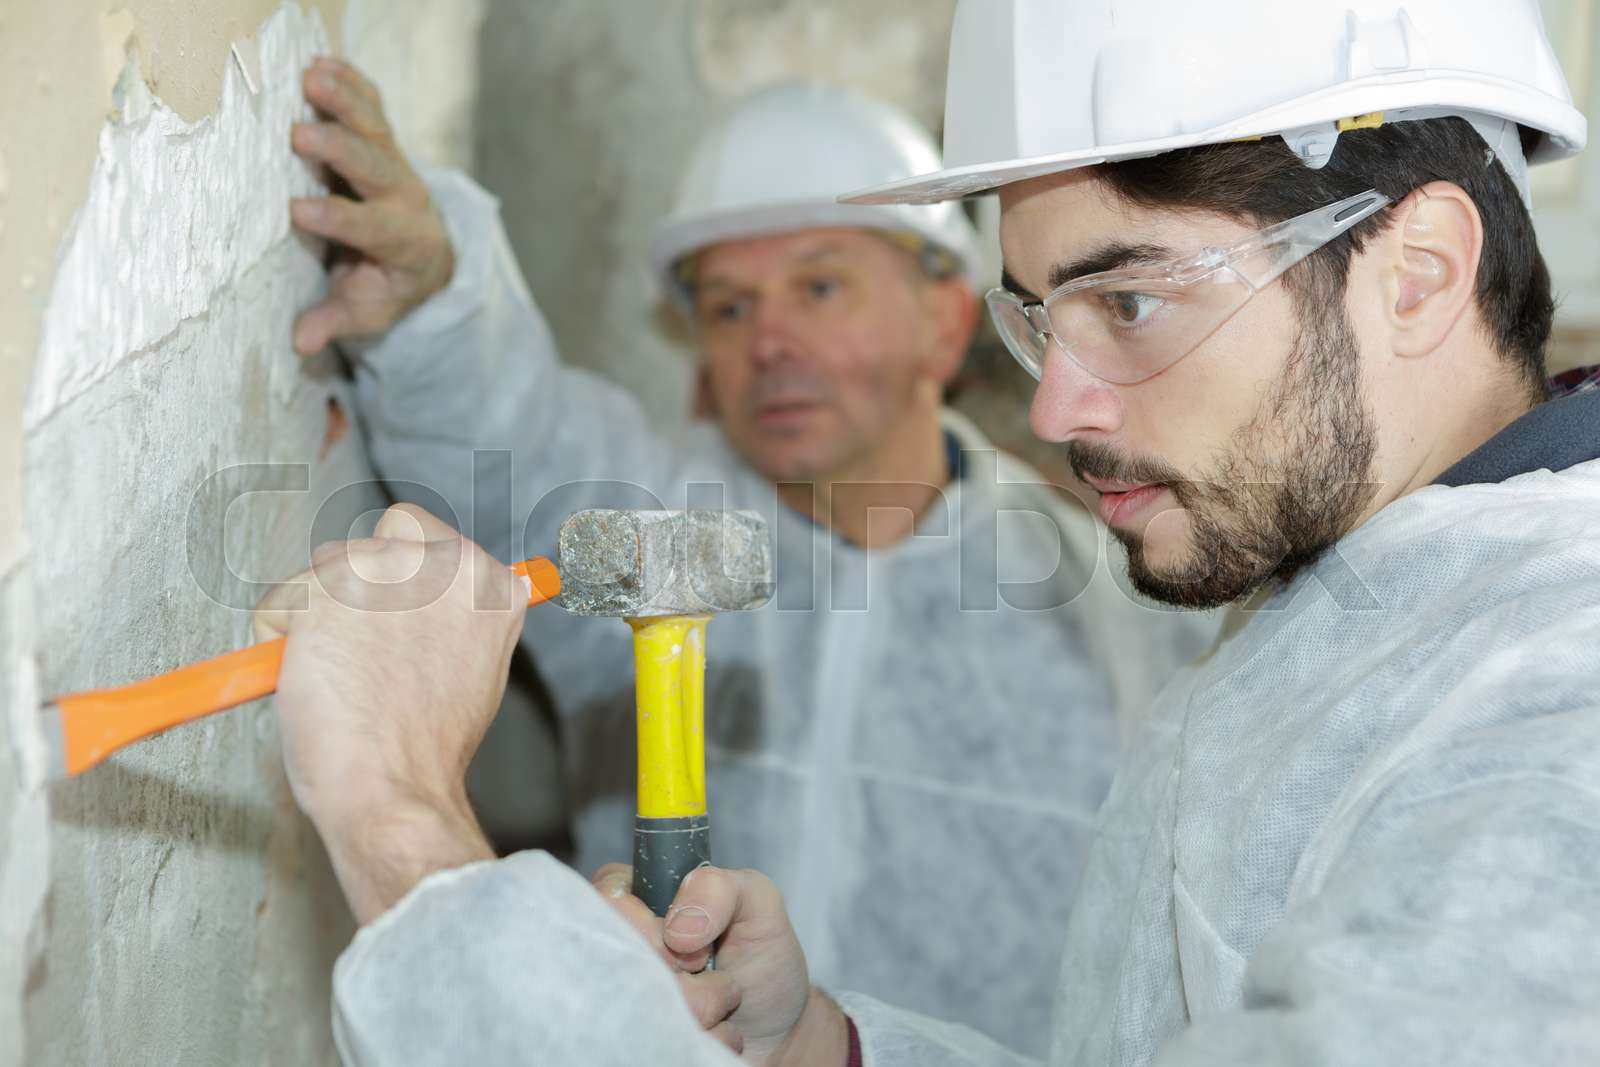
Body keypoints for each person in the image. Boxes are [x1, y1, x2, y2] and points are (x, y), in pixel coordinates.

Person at [263, 0, 1600, 1063]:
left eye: (1128, 302)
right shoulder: (1336, 623)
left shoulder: (1554, 746)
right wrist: (835, 1048)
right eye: (1045, 321)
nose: (1060, 407)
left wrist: (402, 831)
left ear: (1418, 271)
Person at [284, 66, 1216, 1054]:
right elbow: (502, 437)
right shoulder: (647, 523)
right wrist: (432, 299)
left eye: (819, 285)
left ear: (943, 323)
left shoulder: (1122, 605)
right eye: (728, 307)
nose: (768, 341)